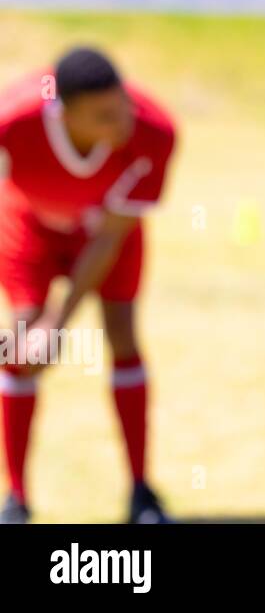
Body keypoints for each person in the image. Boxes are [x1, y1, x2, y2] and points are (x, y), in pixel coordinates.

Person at [0, 48, 176, 524]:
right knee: (17, 349)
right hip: (29, 226)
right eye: (102, 116)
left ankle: (141, 493)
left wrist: (58, 323)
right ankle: (16, 499)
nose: (120, 121)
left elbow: (110, 237)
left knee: (122, 334)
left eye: (122, 105)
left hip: (105, 234)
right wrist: (37, 327)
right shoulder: (13, 120)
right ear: (64, 112)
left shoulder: (154, 133)